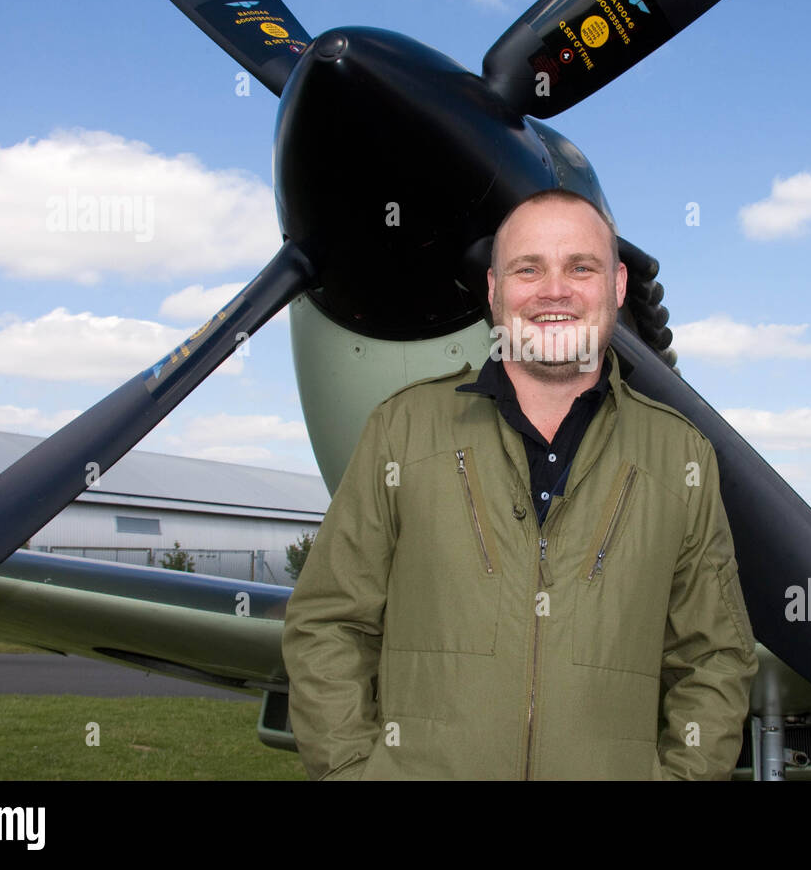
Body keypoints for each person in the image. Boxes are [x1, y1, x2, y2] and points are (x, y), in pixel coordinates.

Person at [282, 188, 758, 779]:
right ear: (493, 290)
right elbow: (328, 623)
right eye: (527, 268)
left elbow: (714, 656)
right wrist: (355, 770)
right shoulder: (400, 431)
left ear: (615, 286)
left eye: (580, 267)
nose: (554, 290)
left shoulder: (682, 455)